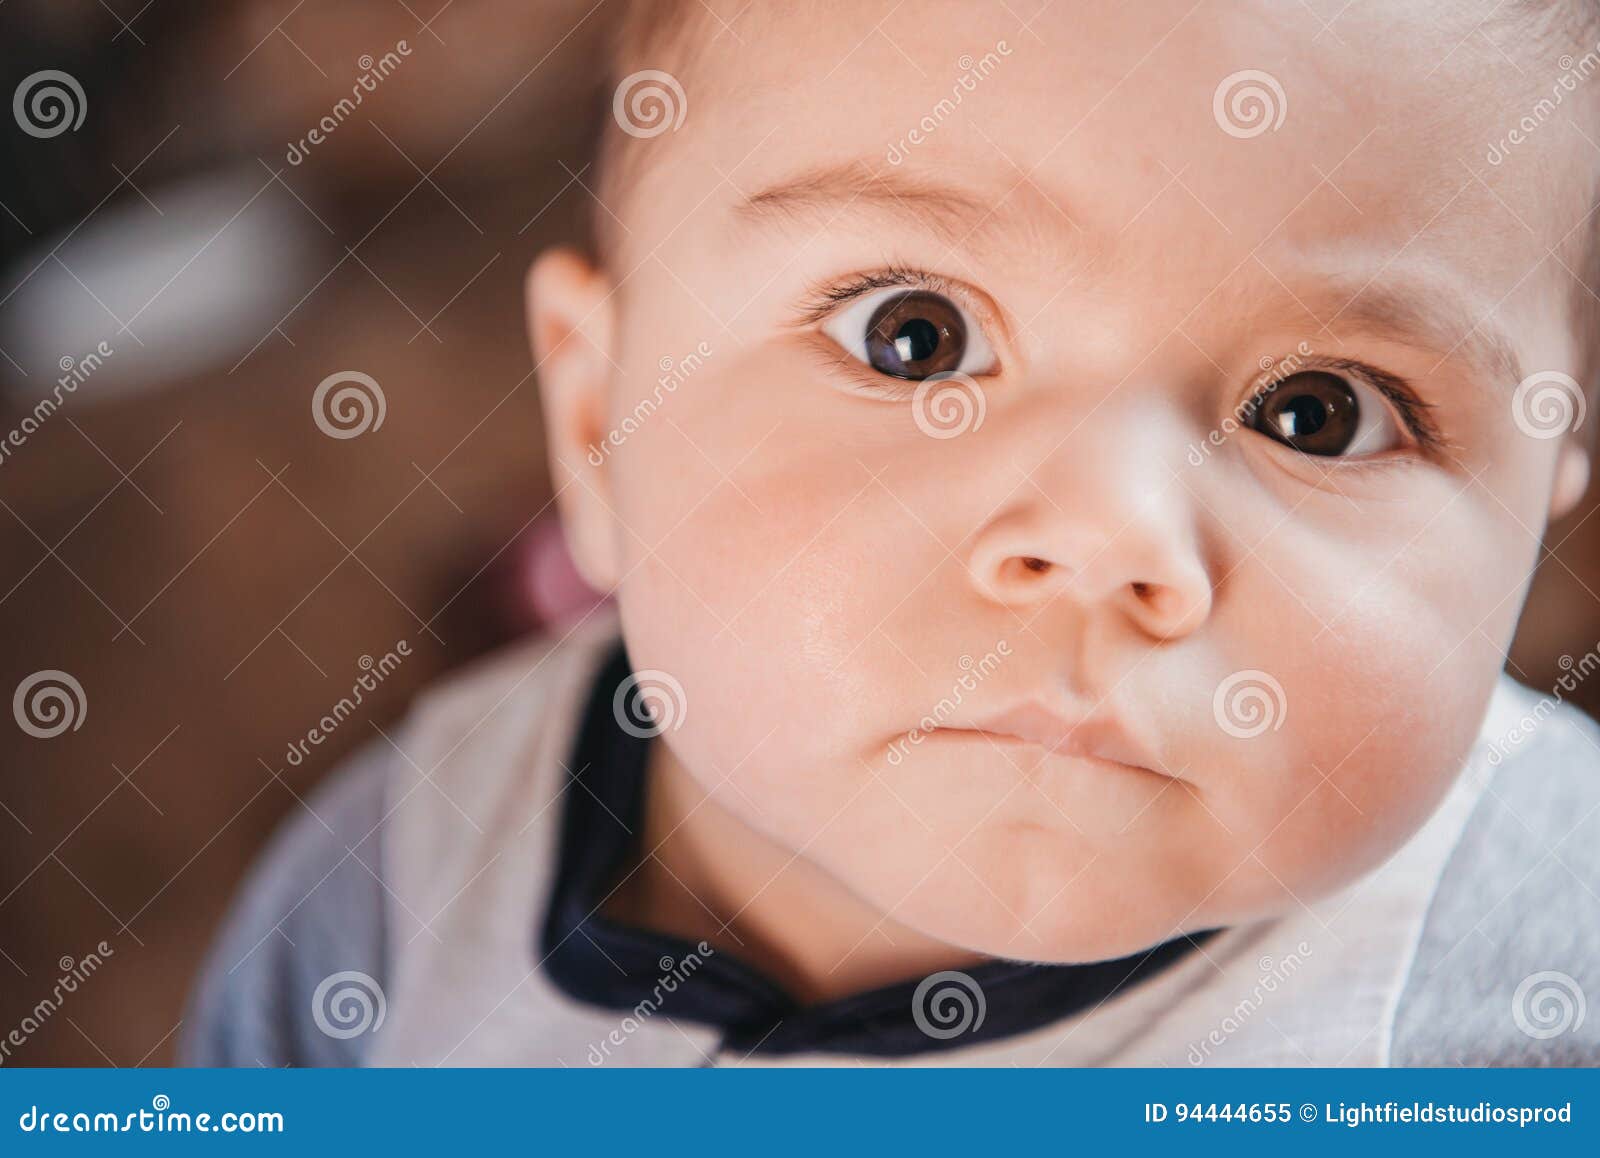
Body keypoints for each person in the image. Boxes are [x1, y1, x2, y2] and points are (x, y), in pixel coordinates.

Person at [184, 0, 1600, 1066]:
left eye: (1321, 414)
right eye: (913, 339)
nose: (1111, 540)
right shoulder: (396, 884)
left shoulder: (1545, 948)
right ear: (602, 419)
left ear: (1535, 506)